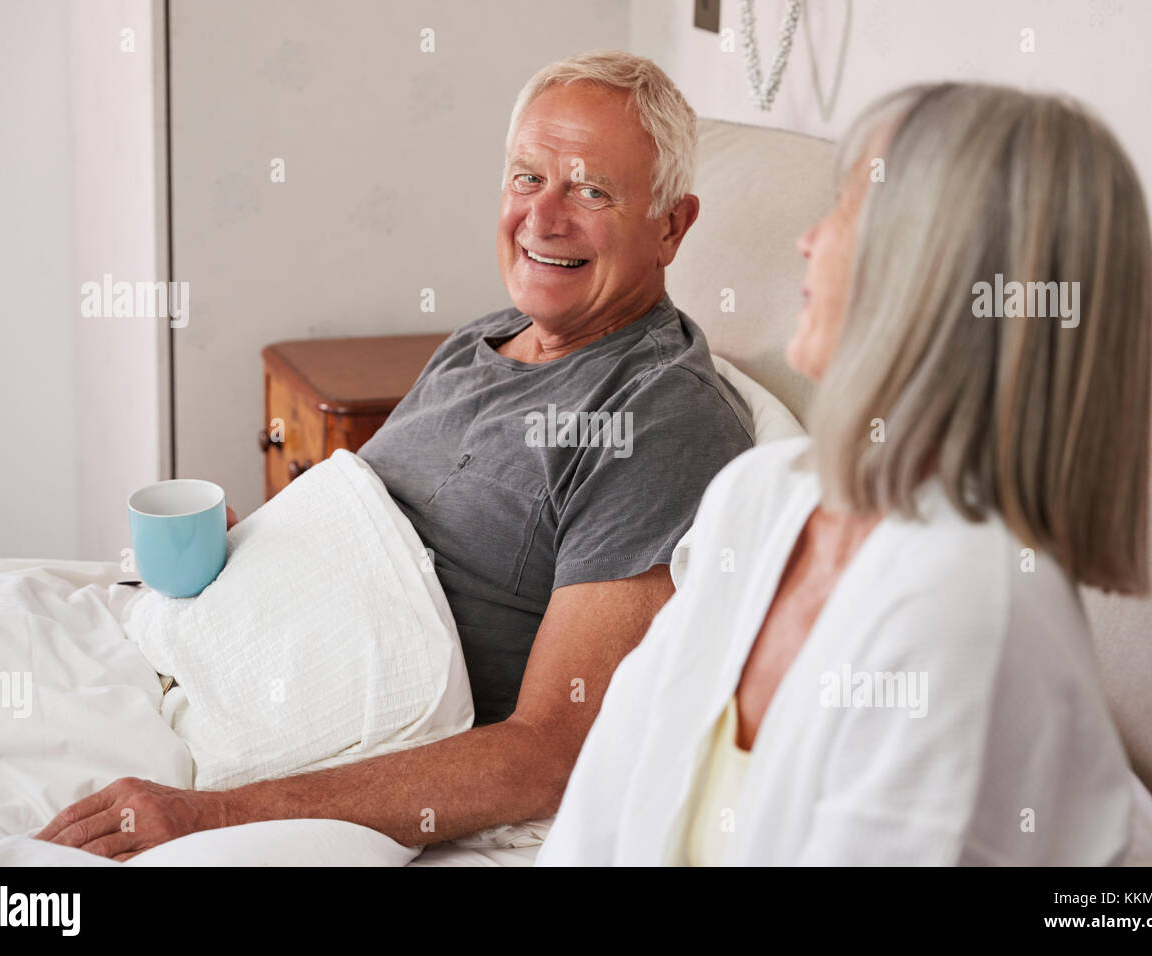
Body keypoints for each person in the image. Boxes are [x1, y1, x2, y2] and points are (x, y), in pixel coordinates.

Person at [37, 51, 753, 859]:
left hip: (272, 756)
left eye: (590, 190)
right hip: (187, 659)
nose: (543, 219)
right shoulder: (480, 340)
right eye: (527, 178)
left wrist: (212, 818)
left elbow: (551, 754)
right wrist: (253, 554)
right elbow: (366, 527)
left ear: (671, 225)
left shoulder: (655, 420)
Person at [538, 82, 1152, 866]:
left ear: (931, 272)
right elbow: (605, 802)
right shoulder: (761, 496)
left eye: (846, 210)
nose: (808, 239)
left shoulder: (970, 606)